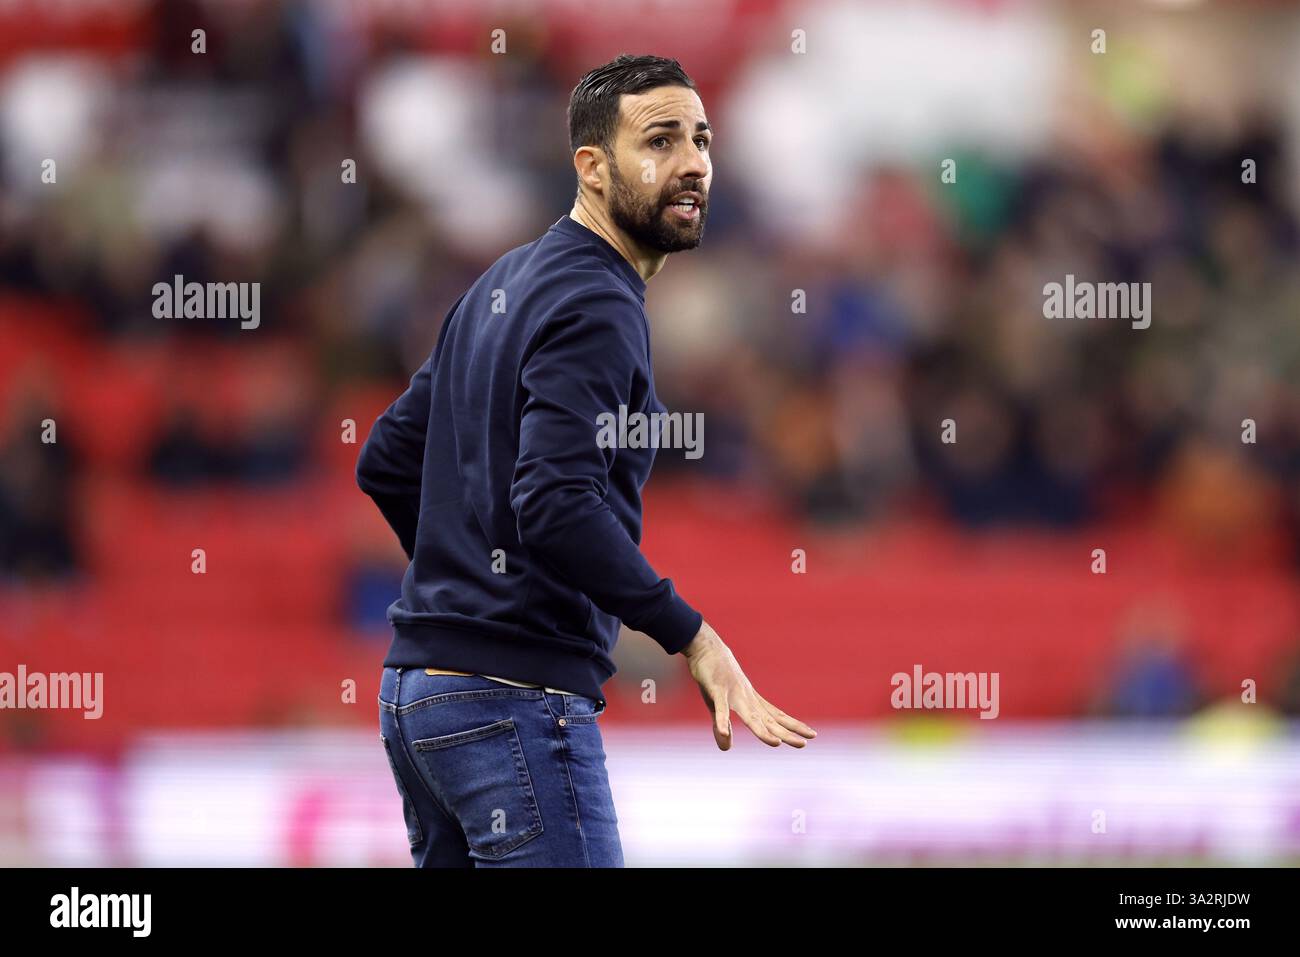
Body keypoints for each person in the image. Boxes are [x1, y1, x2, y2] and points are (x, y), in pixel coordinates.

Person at [358, 53, 815, 868]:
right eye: (660, 140)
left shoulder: (506, 278)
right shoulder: (600, 299)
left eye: (702, 140)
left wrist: (464, 598)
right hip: (510, 705)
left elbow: (388, 459)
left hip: (419, 697)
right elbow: (557, 501)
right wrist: (694, 637)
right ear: (592, 168)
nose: (691, 164)